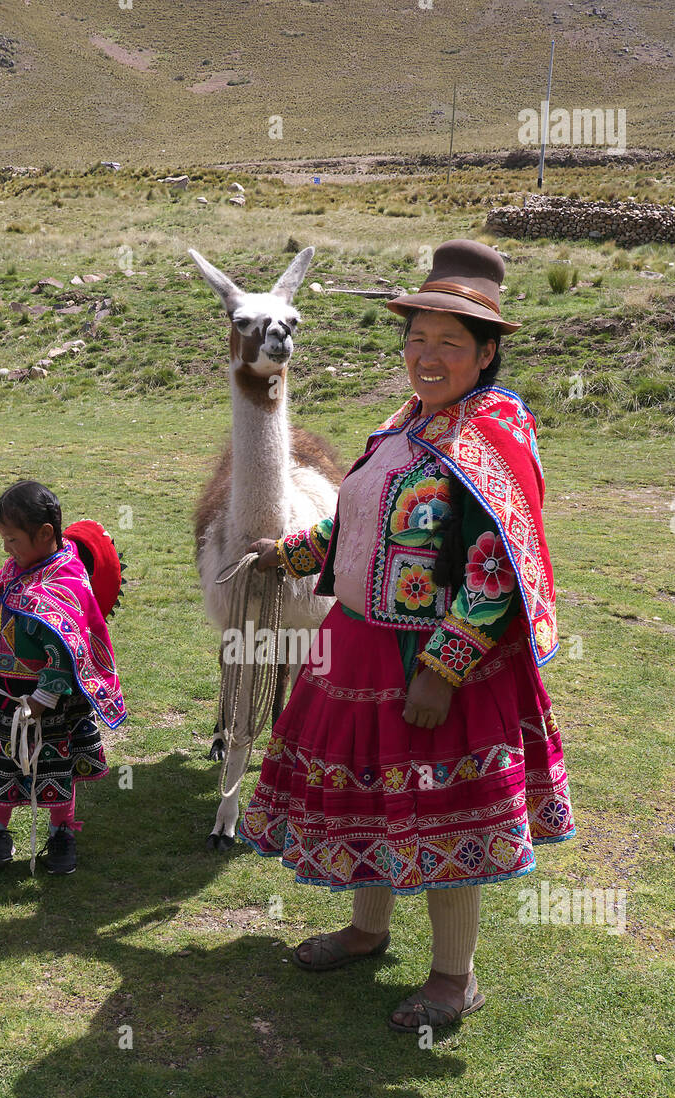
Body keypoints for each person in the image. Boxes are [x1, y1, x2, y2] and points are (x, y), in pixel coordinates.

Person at [239, 240, 575, 1033]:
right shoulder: (408, 423)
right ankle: (367, 929)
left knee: (443, 814)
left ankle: (455, 979)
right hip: (357, 644)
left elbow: (498, 567)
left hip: (431, 662)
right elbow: (363, 519)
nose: (427, 356)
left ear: (487, 353)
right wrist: (287, 554)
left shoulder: (492, 436)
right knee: (371, 793)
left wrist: (444, 667)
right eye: (417, 338)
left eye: (450, 343)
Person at [0, 480, 126, 874]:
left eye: (12, 539)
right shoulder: (17, 570)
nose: (6, 548)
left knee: (54, 765)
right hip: (5, 693)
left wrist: (43, 699)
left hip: (47, 701)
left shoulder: (65, 579)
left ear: (45, 534)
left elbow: (70, 648)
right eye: (4, 539)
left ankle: (62, 833)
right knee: (8, 760)